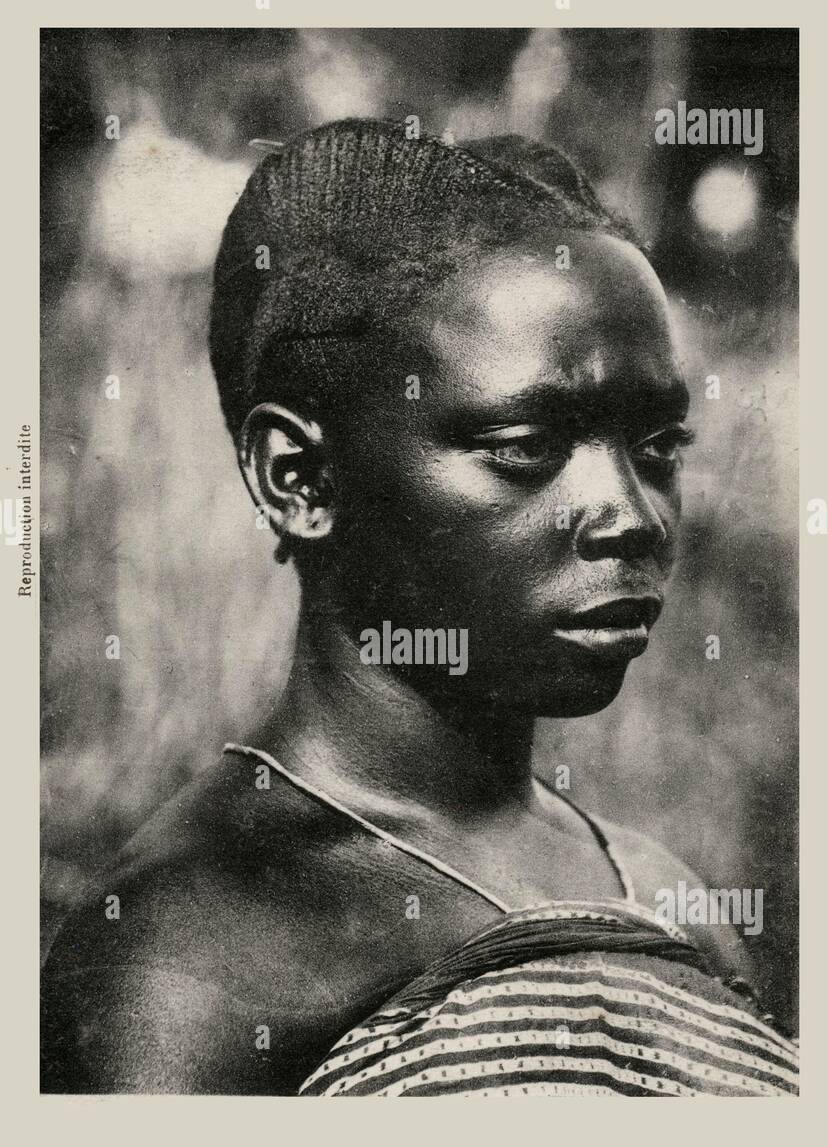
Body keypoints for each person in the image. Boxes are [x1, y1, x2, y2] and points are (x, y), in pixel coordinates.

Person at [41, 118, 798, 1097]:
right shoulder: (185, 957)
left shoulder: (663, 895)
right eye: (525, 446)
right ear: (301, 477)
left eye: (657, 449)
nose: (632, 516)